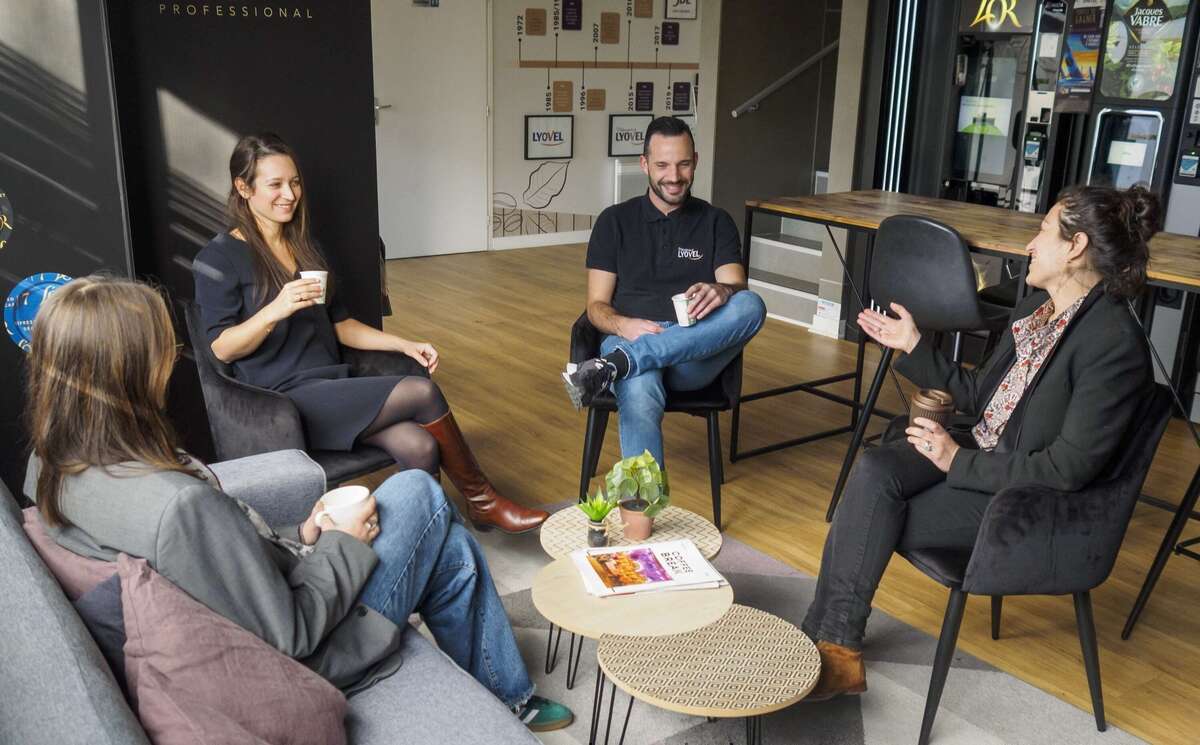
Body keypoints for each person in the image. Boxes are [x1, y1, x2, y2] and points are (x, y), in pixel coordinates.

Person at [23, 276, 573, 732]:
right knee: (420, 490)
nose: (171, 360)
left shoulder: (54, 468)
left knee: (441, 535)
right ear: (129, 371)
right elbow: (292, 635)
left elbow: (227, 568)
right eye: (161, 348)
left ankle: (507, 697)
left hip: (281, 585)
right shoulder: (176, 510)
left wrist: (304, 534)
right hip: (314, 651)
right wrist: (341, 542)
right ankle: (509, 697)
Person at [801, 185, 1160, 701]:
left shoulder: (1111, 343)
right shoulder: (1038, 312)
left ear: (1076, 246)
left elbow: (1067, 469)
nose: (1031, 244)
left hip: (1029, 502)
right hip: (984, 453)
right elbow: (979, 397)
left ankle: (834, 649)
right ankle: (829, 639)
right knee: (877, 470)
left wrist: (955, 460)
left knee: (872, 509)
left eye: (1042, 230)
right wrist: (914, 345)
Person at [193, 133, 545, 534]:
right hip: (282, 401)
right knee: (421, 390)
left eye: (294, 182)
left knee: (420, 444)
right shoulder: (219, 258)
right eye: (275, 184)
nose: (289, 194)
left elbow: (340, 324)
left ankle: (426, 537)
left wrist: (404, 343)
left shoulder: (305, 248)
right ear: (243, 187)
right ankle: (482, 500)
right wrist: (276, 308)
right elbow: (222, 349)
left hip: (330, 384)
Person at [562, 116, 766, 465]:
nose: (674, 176)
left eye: (684, 164)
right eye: (662, 165)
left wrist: (722, 290)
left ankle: (616, 365)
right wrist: (624, 326)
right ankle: (642, 509)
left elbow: (736, 284)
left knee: (751, 304)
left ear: (696, 162)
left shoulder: (717, 222)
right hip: (627, 336)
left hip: (692, 353)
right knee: (639, 387)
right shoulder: (614, 222)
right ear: (644, 165)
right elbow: (596, 307)